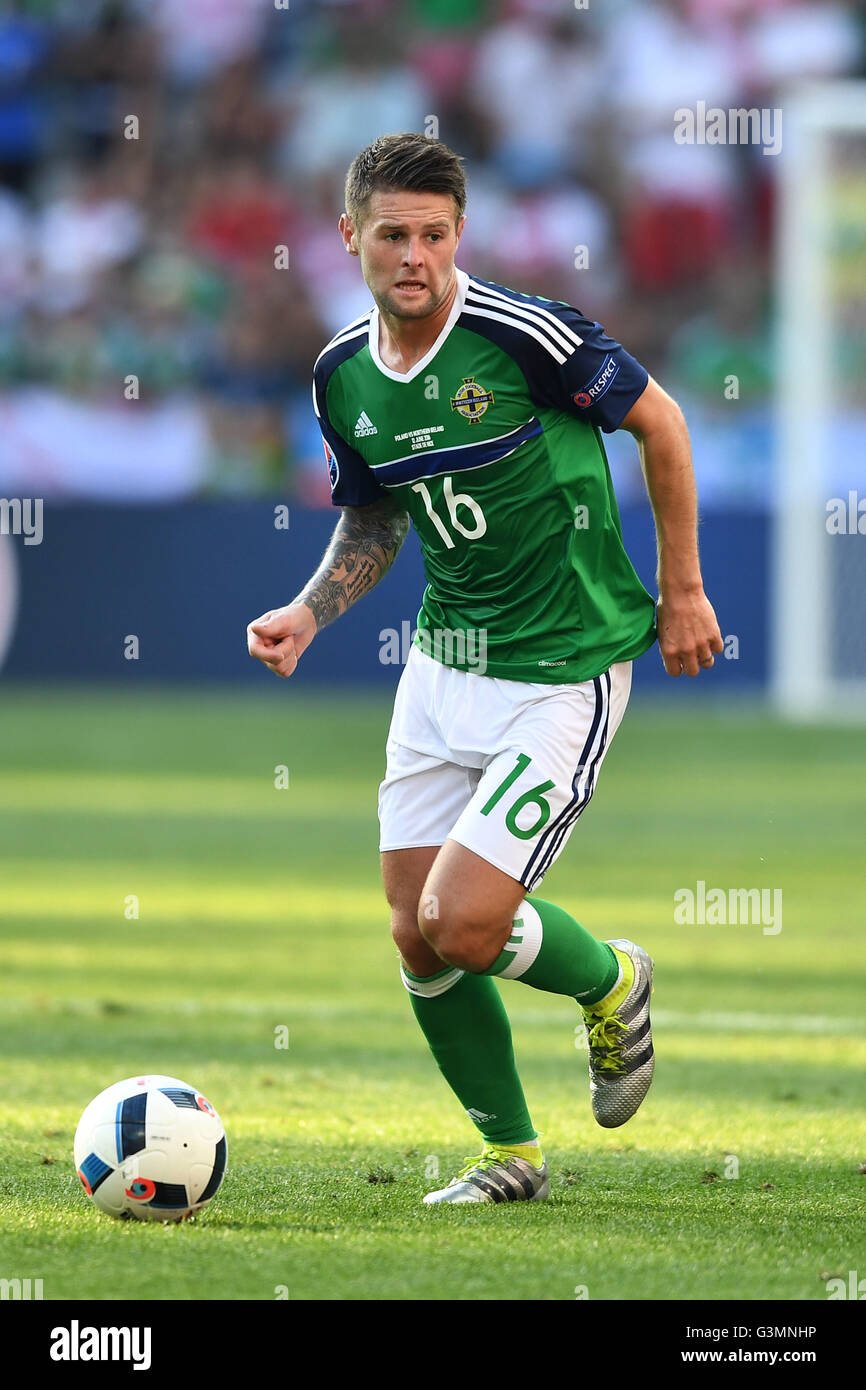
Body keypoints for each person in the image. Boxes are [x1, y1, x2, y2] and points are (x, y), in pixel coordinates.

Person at [247, 133, 723, 1204]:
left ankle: (612, 979)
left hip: (561, 669)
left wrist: (681, 588)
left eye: (431, 234)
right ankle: (510, 1155)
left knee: (460, 921)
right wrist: (308, 611)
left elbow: (661, 421)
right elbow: (373, 514)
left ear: (457, 236)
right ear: (348, 239)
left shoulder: (521, 337)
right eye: (390, 234)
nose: (411, 254)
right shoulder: (342, 375)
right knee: (414, 941)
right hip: (441, 666)